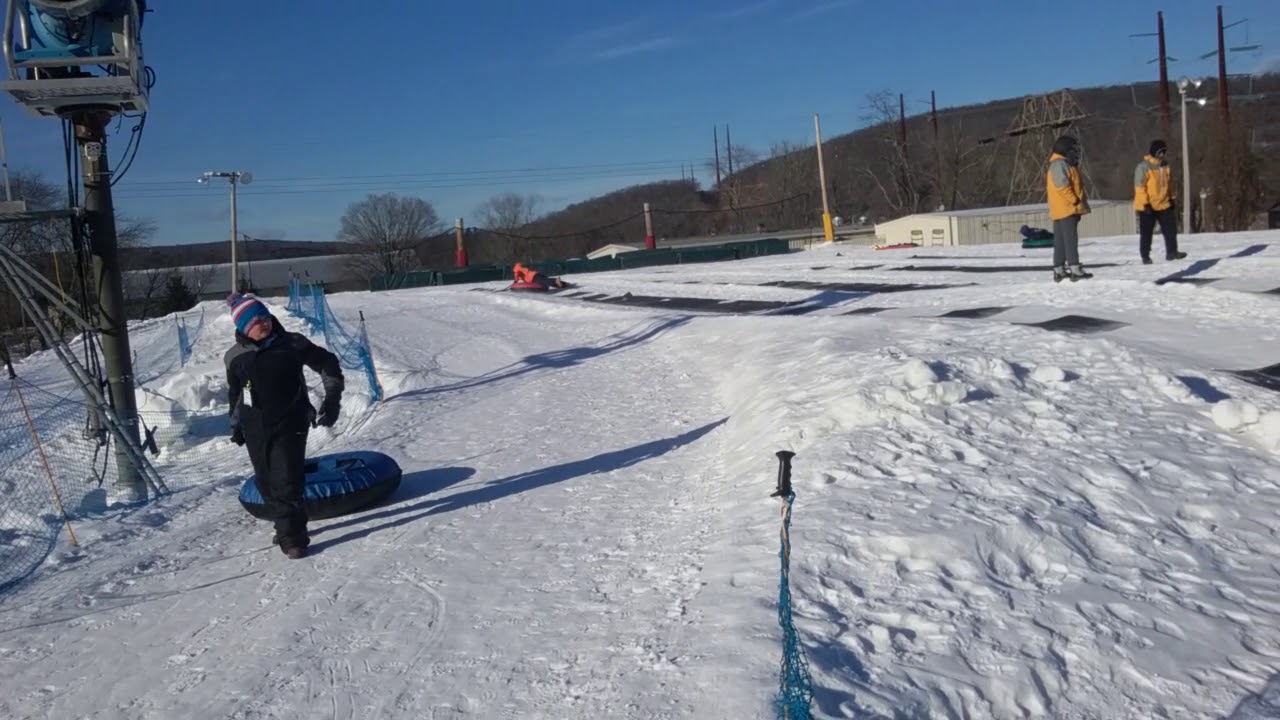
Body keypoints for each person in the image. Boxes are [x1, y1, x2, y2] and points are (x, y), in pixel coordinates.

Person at [224, 294, 344, 559]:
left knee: (287, 479)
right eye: (256, 321)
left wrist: (332, 399)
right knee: (266, 482)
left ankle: (293, 538)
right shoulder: (234, 357)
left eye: (265, 317)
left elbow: (327, 363)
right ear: (244, 327)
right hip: (255, 426)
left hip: (291, 420)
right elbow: (235, 394)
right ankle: (285, 521)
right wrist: (236, 425)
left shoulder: (292, 343)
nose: (264, 323)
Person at [1045, 135, 1093, 282]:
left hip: (1061, 209)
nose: (1075, 152)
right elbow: (1062, 186)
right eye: (1072, 148)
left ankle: (1059, 269)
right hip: (1067, 207)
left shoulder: (1061, 163)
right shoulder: (1060, 164)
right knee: (1070, 239)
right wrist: (1075, 200)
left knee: (1060, 240)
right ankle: (1075, 268)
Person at [1133, 139, 1187, 264]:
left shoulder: (1165, 166)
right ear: (1153, 152)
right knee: (1147, 233)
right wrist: (1145, 204)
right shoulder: (1143, 167)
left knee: (1171, 229)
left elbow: (1170, 184)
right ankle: (1145, 256)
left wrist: (1172, 197)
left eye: (1163, 152)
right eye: (1159, 152)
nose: (1162, 155)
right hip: (1148, 206)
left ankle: (1172, 252)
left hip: (1163, 203)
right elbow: (1139, 188)